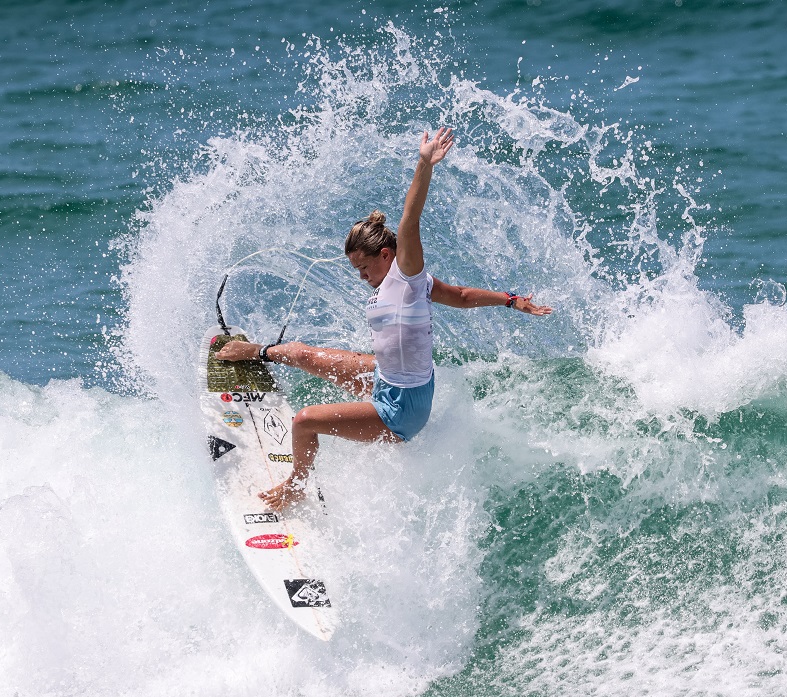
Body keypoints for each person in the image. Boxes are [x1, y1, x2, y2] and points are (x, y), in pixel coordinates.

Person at [216, 127, 552, 510]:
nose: (361, 276)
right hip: (385, 377)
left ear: (387, 255)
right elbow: (460, 296)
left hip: (402, 410)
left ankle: (296, 486)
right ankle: (255, 352)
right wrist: (510, 300)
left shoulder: (408, 277)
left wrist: (424, 163)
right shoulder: (414, 286)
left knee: (305, 420)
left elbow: (410, 218)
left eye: (364, 267)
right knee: (300, 353)